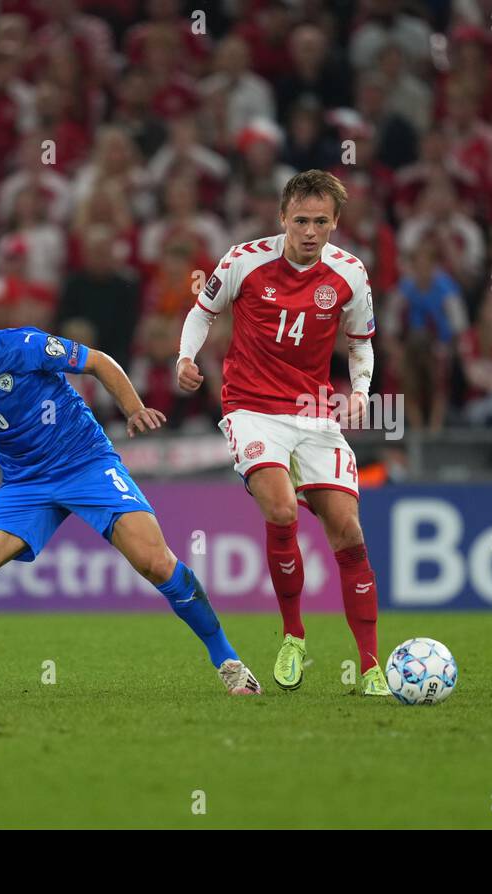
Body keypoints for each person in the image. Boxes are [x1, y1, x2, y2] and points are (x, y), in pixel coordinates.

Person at [0, 293, 261, 697]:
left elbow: (96, 361)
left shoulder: (22, 345)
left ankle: (229, 662)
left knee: (155, 563)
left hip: (86, 462)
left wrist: (133, 408)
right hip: (26, 483)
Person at [175, 170, 389, 696]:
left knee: (350, 534)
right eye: (301, 221)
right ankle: (293, 634)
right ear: (282, 218)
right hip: (251, 408)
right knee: (281, 509)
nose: (310, 232)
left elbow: (362, 343)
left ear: (336, 222)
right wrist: (185, 357)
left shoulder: (350, 275)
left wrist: (360, 389)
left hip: (315, 413)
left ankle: (369, 666)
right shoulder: (244, 260)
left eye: (321, 222)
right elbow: (202, 313)